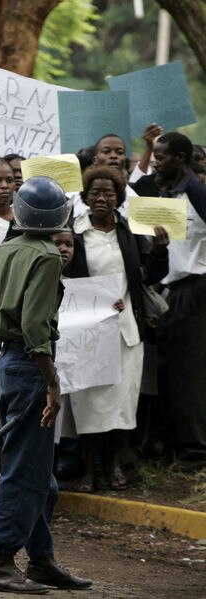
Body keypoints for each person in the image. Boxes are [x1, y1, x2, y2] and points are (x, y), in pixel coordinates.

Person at [0, 176, 92, 593]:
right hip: (30, 369)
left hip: (9, 365)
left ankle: (41, 560)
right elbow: (34, 327)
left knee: (40, 473)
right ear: (60, 216)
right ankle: (0, 562)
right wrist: (52, 384)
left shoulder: (6, 249)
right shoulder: (46, 256)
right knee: (24, 472)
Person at [64, 166, 168, 492]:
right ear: (85, 196)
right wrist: (97, 301)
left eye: (108, 193)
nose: (101, 198)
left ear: (119, 198)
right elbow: (65, 277)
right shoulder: (75, 233)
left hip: (126, 332)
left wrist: (161, 250)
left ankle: (113, 467)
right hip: (89, 331)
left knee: (121, 405)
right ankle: (90, 470)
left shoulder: (129, 231)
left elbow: (148, 276)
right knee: (89, 403)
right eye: (95, 192)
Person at [133, 132, 206, 459]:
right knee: (169, 370)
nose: (157, 162)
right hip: (168, 291)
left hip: (195, 289)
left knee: (189, 372)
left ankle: (194, 449)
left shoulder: (195, 191)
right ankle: (175, 442)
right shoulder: (165, 191)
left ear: (180, 157)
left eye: (161, 156)